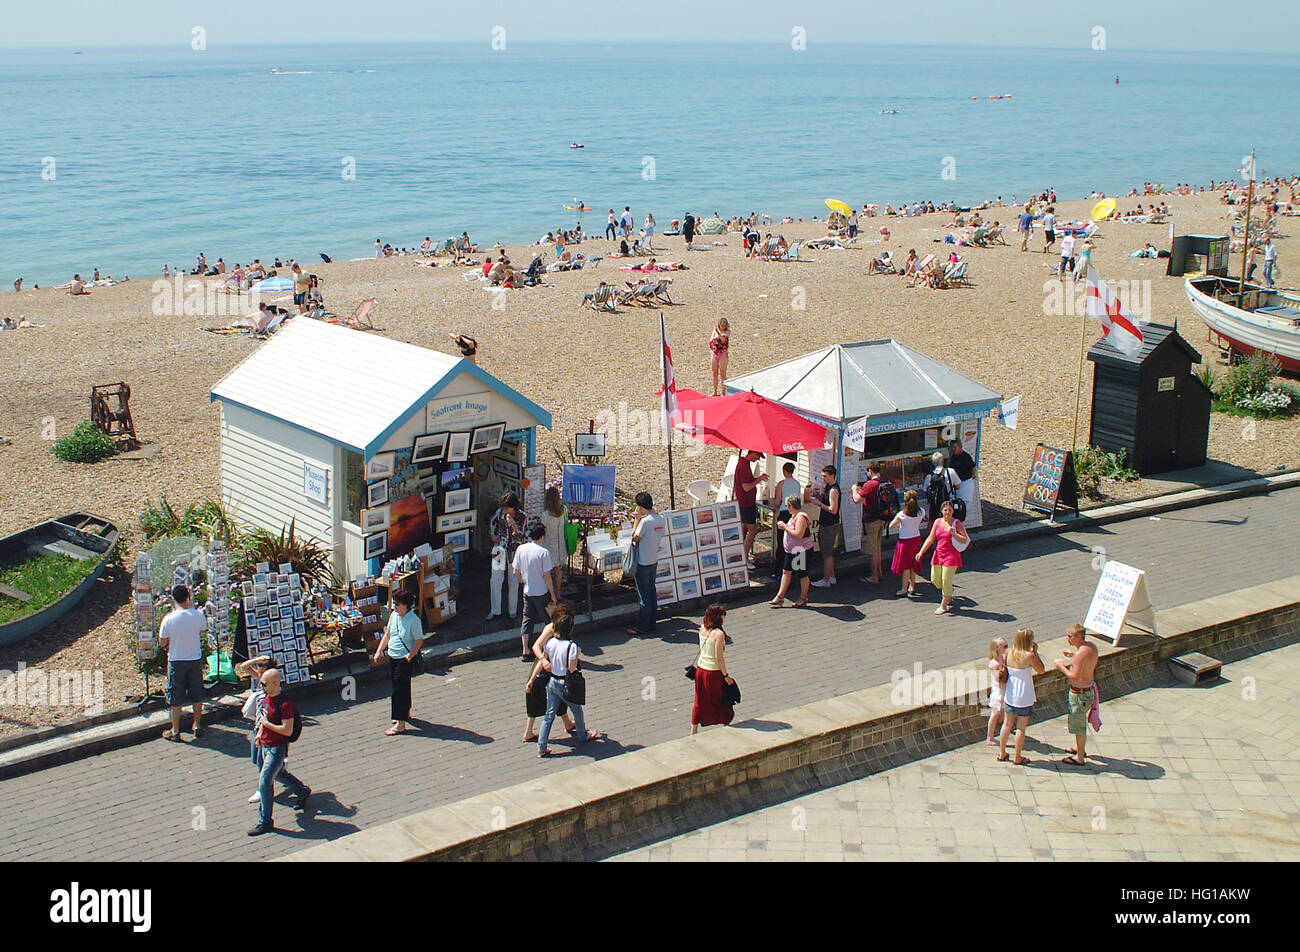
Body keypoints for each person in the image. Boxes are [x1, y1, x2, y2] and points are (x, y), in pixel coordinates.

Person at [247, 667, 311, 835]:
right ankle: (302, 790)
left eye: (264, 683)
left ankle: (265, 821)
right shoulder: (267, 698)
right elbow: (264, 718)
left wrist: (266, 725)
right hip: (265, 745)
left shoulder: (285, 704)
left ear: (275, 684)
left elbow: (287, 730)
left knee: (265, 782)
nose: (261, 686)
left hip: (277, 748)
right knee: (279, 774)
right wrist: (260, 732)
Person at [533, 606, 600, 757]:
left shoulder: (550, 643)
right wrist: (577, 656)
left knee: (549, 715)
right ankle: (583, 735)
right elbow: (571, 668)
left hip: (552, 682)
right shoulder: (572, 646)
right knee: (577, 711)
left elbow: (546, 656)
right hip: (566, 683)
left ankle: (542, 746)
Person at [159, 585, 207, 741]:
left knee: (176, 696)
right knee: (197, 693)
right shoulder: (198, 615)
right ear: (188, 597)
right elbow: (202, 630)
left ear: (173, 598)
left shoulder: (168, 619)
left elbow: (162, 643)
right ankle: (197, 725)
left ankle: (175, 730)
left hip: (176, 659)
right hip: (194, 658)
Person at [374, 590, 424, 735]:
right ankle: (405, 712)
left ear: (406, 605)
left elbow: (419, 640)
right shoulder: (394, 616)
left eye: (397, 603)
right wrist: (379, 651)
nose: (394, 606)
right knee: (400, 685)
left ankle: (400, 722)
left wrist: (410, 655)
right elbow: (388, 634)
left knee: (398, 690)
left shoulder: (414, 620)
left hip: (404, 658)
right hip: (393, 656)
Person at [998, 628, 1045, 765]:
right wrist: (1036, 653)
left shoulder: (1009, 653)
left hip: (1010, 695)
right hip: (1024, 696)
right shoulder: (1029, 656)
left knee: (1007, 724)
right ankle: (1017, 757)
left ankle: (1002, 752)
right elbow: (1041, 670)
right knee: (1021, 728)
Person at [1054, 623, 1099, 766]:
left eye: (1070, 636)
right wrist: (1073, 655)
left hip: (1079, 694)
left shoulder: (1080, 654)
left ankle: (1080, 757)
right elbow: (1084, 659)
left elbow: (1073, 676)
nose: (1068, 638)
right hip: (1089, 690)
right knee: (1080, 722)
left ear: (1079, 637)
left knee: (1079, 725)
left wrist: (1061, 666)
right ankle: (1079, 748)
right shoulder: (1091, 647)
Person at [235, 653, 276, 802]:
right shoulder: (261, 680)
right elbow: (243, 667)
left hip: (264, 729)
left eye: (261, 667)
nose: (258, 670)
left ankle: (262, 790)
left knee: (261, 762)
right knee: (257, 759)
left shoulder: (271, 685)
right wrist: (257, 660)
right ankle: (279, 768)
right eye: (258, 668)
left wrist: (261, 731)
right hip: (257, 726)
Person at [514, 523, 558, 662]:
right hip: (542, 591)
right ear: (542, 536)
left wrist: (523, 582)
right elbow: (547, 576)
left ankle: (525, 649)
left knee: (527, 618)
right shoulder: (543, 552)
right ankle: (547, 649)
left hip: (528, 591)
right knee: (549, 620)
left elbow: (516, 571)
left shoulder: (521, 549)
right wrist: (553, 594)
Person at [915, 499, 967, 615]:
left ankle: (944, 605)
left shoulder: (956, 523)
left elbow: (964, 539)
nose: (947, 512)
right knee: (935, 580)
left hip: (951, 555)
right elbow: (930, 538)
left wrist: (953, 533)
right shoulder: (937, 522)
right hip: (939, 554)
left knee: (946, 580)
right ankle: (948, 591)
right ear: (942, 511)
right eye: (945, 510)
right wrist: (921, 552)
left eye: (950, 510)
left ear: (953, 511)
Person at [690, 604, 735, 733]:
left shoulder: (702, 628)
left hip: (700, 669)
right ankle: (726, 722)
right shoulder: (719, 634)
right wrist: (726, 675)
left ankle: (694, 728)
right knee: (722, 699)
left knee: (700, 700)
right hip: (713, 672)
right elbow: (718, 657)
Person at [627, 492, 667, 637]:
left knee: (644, 596)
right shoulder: (660, 519)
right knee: (651, 593)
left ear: (641, 507)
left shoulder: (645, 522)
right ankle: (652, 623)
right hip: (653, 560)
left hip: (643, 562)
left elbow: (634, 537)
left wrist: (636, 520)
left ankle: (643, 627)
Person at [487, 492, 531, 621]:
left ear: (513, 507)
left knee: (513, 580)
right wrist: (492, 535)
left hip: (514, 550)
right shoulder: (500, 512)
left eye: (507, 507)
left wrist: (513, 525)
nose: (505, 510)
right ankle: (495, 610)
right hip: (499, 548)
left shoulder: (522, 516)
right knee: (495, 579)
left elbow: (523, 536)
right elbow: (492, 523)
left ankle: (512, 610)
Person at [770, 495, 812, 608]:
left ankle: (803, 598)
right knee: (786, 572)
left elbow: (799, 534)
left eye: (787, 506)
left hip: (800, 551)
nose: (787, 508)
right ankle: (779, 597)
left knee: (802, 575)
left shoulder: (801, 517)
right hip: (791, 551)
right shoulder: (793, 516)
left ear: (791, 506)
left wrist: (785, 527)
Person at [523, 654, 575, 742]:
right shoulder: (551, 642)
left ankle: (567, 723)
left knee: (553, 693)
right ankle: (530, 734)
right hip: (547, 667)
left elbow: (537, 647)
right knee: (556, 691)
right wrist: (543, 660)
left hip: (544, 666)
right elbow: (537, 647)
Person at [851, 463, 885, 584]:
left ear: (870, 471)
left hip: (871, 520)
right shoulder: (883, 481)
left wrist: (854, 490)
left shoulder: (870, 484)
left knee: (872, 550)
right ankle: (879, 572)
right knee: (877, 547)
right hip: (881, 519)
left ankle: (874, 576)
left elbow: (857, 500)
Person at [733, 450, 767, 567]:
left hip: (745, 503)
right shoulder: (743, 466)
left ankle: (740, 555)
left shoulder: (744, 464)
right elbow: (746, 487)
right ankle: (744, 557)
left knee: (744, 529)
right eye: (757, 456)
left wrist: (757, 479)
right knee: (753, 530)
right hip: (746, 504)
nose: (757, 459)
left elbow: (747, 482)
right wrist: (759, 479)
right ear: (752, 454)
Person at [809, 465, 841, 588]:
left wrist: (819, 503)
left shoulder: (833, 490)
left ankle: (826, 579)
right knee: (828, 552)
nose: (823, 479)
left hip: (829, 524)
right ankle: (831, 576)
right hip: (827, 523)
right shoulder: (829, 487)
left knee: (827, 554)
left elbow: (833, 509)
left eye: (825, 476)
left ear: (832, 475)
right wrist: (819, 497)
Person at [767, 461, 800, 579]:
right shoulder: (797, 484)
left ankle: (778, 571)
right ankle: (794, 569)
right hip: (795, 514)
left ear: (784, 471)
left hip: (784, 513)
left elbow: (777, 501)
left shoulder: (781, 484)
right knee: (793, 542)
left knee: (782, 543)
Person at [538, 486, 568, 599]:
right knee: (558, 569)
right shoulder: (562, 510)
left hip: (549, 545)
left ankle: (549, 593)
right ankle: (558, 592)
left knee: (547, 570)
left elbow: (543, 528)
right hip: (560, 544)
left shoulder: (545, 515)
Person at [922, 451, 961, 524]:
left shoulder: (929, 476)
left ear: (933, 463)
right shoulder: (951, 472)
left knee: (932, 522)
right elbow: (958, 486)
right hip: (948, 502)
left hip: (935, 504)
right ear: (943, 461)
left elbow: (924, 492)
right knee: (949, 522)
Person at [947, 439, 977, 517]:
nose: (953, 449)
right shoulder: (954, 457)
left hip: (966, 484)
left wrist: (973, 475)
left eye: (954, 447)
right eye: (952, 448)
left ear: (960, 447)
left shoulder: (966, 456)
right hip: (957, 484)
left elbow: (973, 468)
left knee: (964, 506)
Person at [986, 637, 1008, 745]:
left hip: (1002, 691)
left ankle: (1001, 723)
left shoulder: (1002, 659)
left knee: (1001, 712)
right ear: (998, 649)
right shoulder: (994, 663)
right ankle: (990, 738)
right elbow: (998, 679)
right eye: (1005, 646)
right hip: (998, 692)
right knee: (994, 714)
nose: (1007, 648)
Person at [709, 318, 730, 396]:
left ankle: (723, 392)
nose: (723, 327)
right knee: (714, 373)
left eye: (725, 325)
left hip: (723, 354)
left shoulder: (727, 332)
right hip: (715, 353)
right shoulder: (715, 331)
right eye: (722, 325)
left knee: (723, 374)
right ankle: (715, 391)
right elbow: (711, 340)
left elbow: (723, 338)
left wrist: (718, 333)